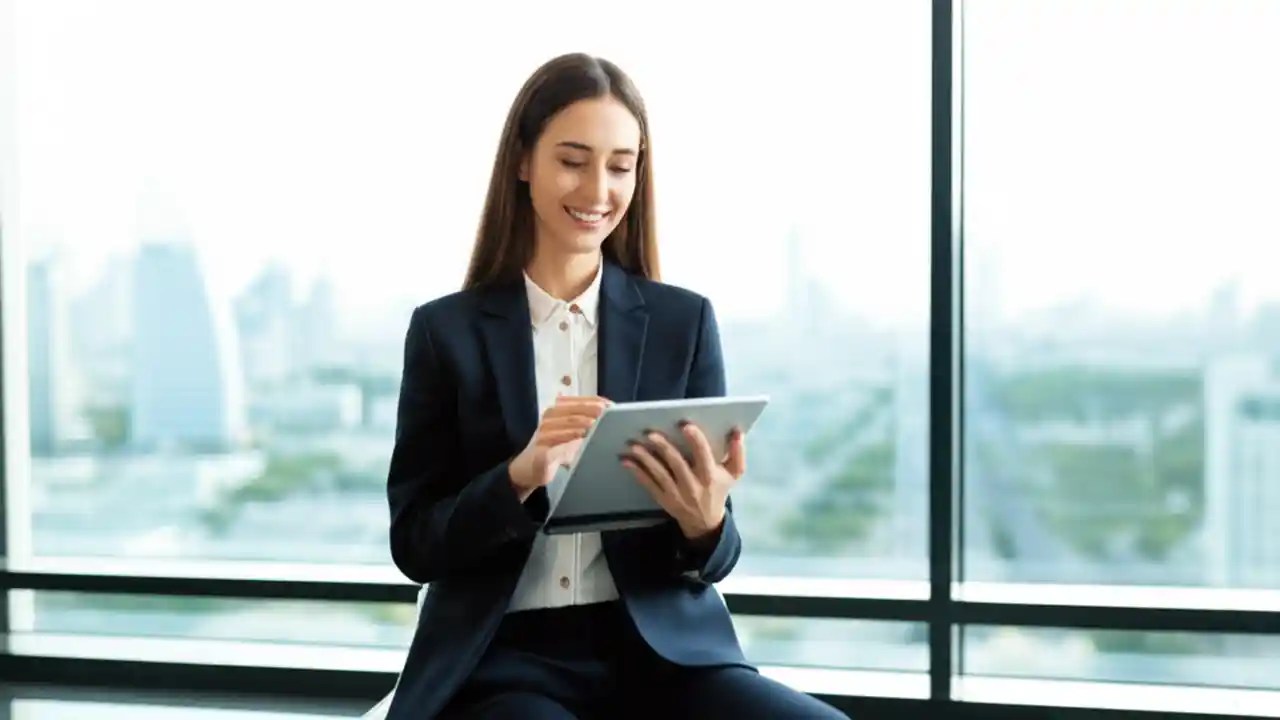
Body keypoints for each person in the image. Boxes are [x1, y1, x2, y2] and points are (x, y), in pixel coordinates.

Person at [384, 52, 848, 720]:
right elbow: (415, 544)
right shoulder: (445, 333)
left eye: (620, 165)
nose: (598, 190)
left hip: (663, 655)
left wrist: (705, 521)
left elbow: (714, 559)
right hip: (504, 661)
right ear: (523, 162)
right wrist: (518, 476)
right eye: (573, 160)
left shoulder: (682, 323)